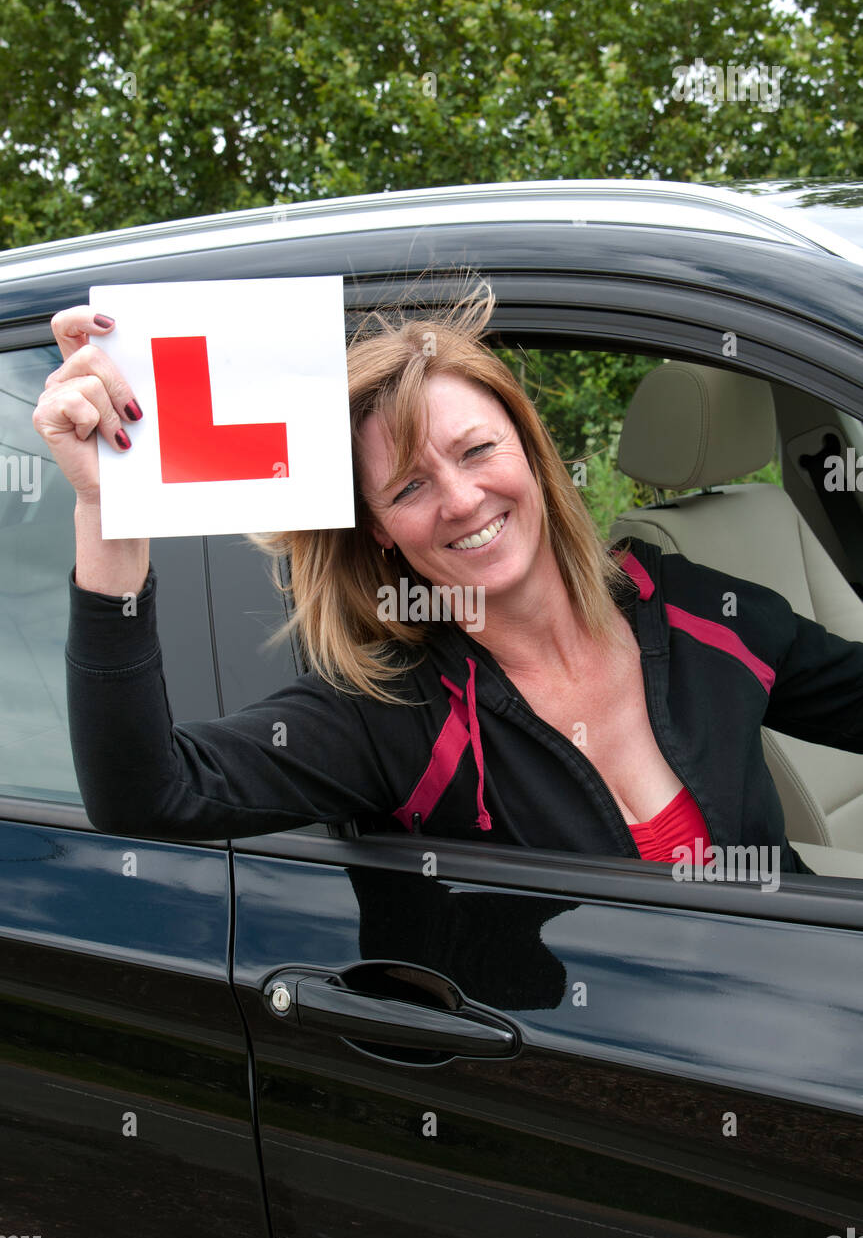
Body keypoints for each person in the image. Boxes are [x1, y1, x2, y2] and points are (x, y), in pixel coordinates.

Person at [34, 281, 863, 874]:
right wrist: (111, 514)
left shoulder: (695, 610)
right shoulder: (391, 714)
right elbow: (147, 794)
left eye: (476, 451)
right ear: (382, 535)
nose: (463, 500)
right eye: (409, 487)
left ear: (532, 453)